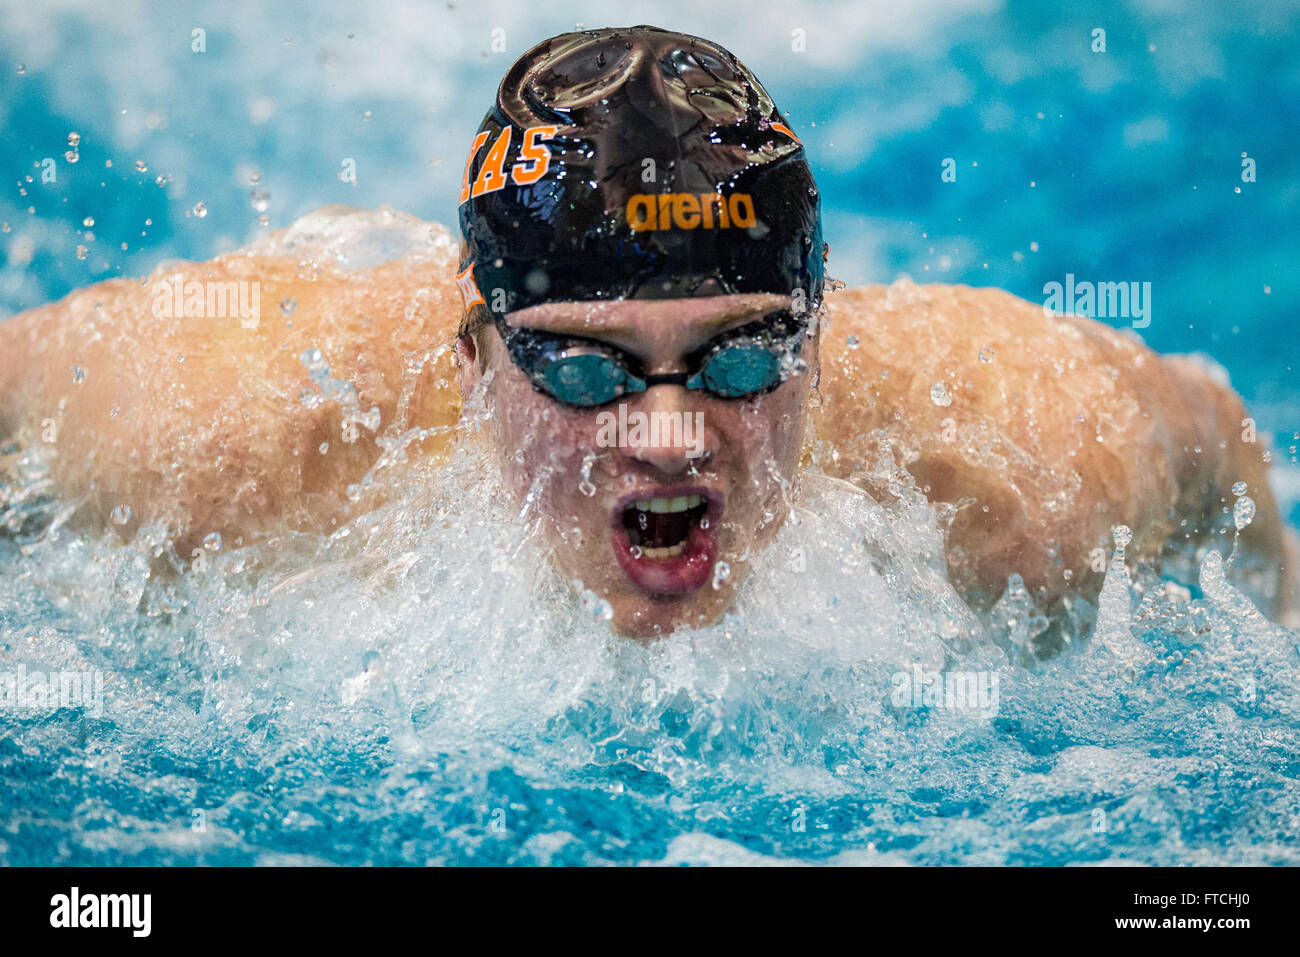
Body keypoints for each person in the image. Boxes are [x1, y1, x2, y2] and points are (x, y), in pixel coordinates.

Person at [0, 25, 1292, 639]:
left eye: (743, 355)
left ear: (822, 343)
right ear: (474, 356)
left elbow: (1216, 428)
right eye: (579, 365)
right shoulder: (208, 436)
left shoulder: (1026, 462)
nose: (670, 437)